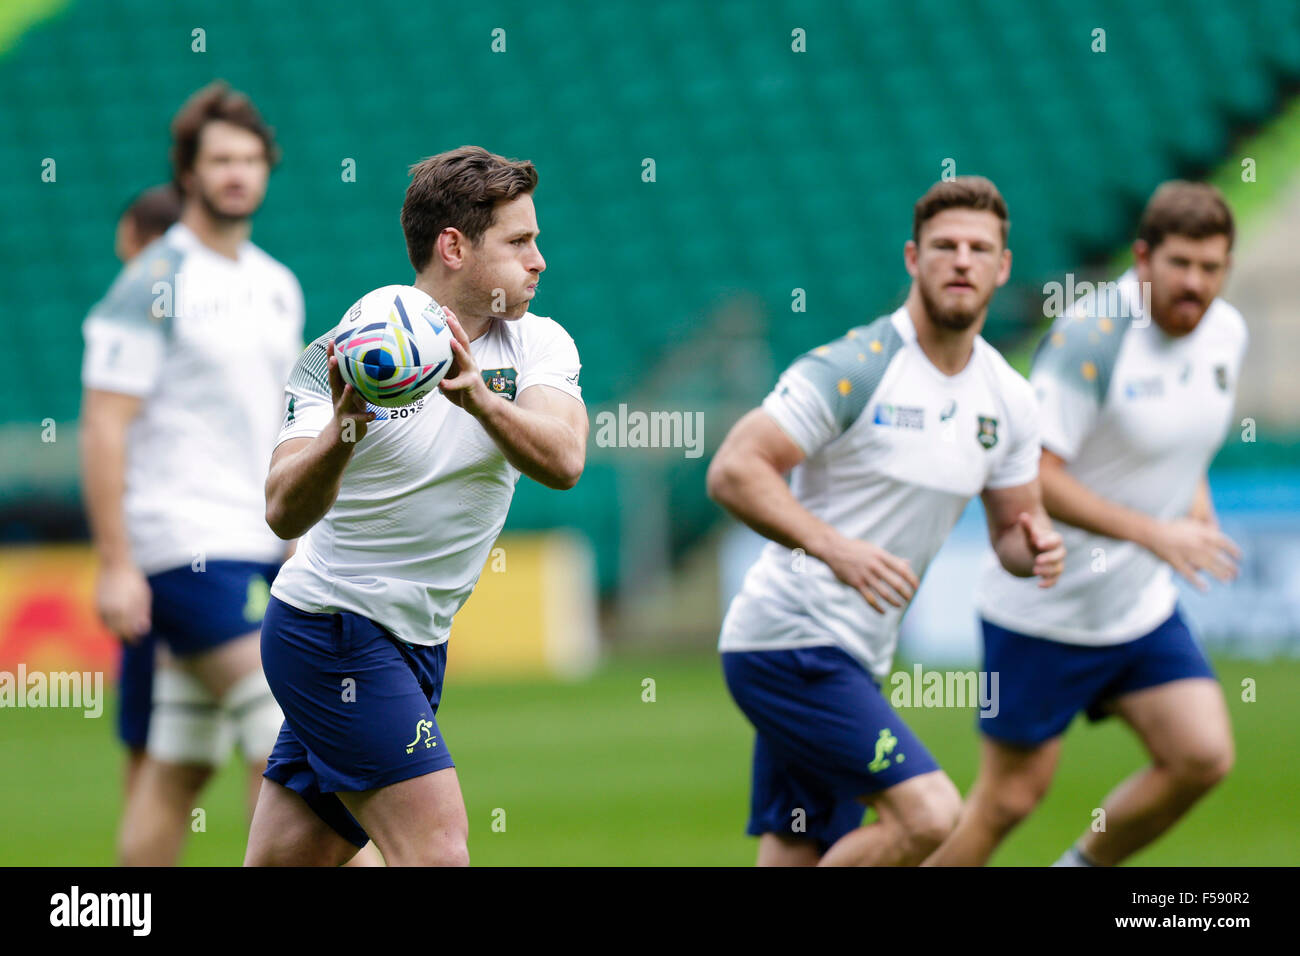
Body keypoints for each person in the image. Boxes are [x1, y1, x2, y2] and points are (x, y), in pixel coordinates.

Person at [243, 145, 588, 867]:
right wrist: (345, 428)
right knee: (437, 850)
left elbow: (564, 461)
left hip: (419, 642)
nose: (539, 261)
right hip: (333, 629)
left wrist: (480, 400)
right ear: (454, 246)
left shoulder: (536, 344)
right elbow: (281, 511)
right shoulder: (336, 359)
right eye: (520, 242)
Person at [708, 176, 1065, 866]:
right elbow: (734, 469)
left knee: (798, 845)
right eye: (945, 246)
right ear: (912, 258)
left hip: (856, 655)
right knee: (931, 816)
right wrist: (835, 549)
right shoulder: (855, 367)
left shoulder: (1010, 399)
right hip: (791, 643)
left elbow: (1013, 536)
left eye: (978, 248)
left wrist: (1037, 547)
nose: (962, 260)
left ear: (1003, 266)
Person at [927, 181, 1246, 867]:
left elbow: (1178, 439)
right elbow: (1035, 476)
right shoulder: (1092, 340)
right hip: (1046, 610)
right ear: (1142, 260)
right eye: (1180, 264)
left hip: (1135, 609)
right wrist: (1155, 534)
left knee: (1201, 755)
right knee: (1006, 803)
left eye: (1211, 267)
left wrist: (1193, 507)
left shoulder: (1227, 334)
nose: (1195, 283)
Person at [81, 81, 303, 865]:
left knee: (178, 762)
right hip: (180, 544)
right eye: (220, 159)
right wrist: (116, 565)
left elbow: (280, 423)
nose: (237, 173)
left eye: (249, 158)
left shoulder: (277, 284)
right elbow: (104, 423)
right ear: (188, 172)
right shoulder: (153, 280)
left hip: (257, 541)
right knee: (288, 732)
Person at [106, 182, 182, 800]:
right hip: (226, 555)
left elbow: (106, 431)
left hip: (168, 555)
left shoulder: (140, 308)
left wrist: (119, 561)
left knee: (151, 751)